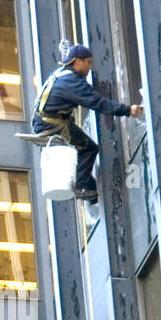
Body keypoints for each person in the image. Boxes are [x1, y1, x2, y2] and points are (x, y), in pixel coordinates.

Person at [30, 44, 143, 204]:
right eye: (88, 62)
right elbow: (98, 103)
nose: (90, 67)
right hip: (52, 127)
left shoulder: (61, 74)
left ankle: (88, 192)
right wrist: (127, 110)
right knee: (89, 148)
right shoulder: (72, 82)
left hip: (44, 123)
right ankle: (84, 188)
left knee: (82, 148)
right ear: (77, 62)